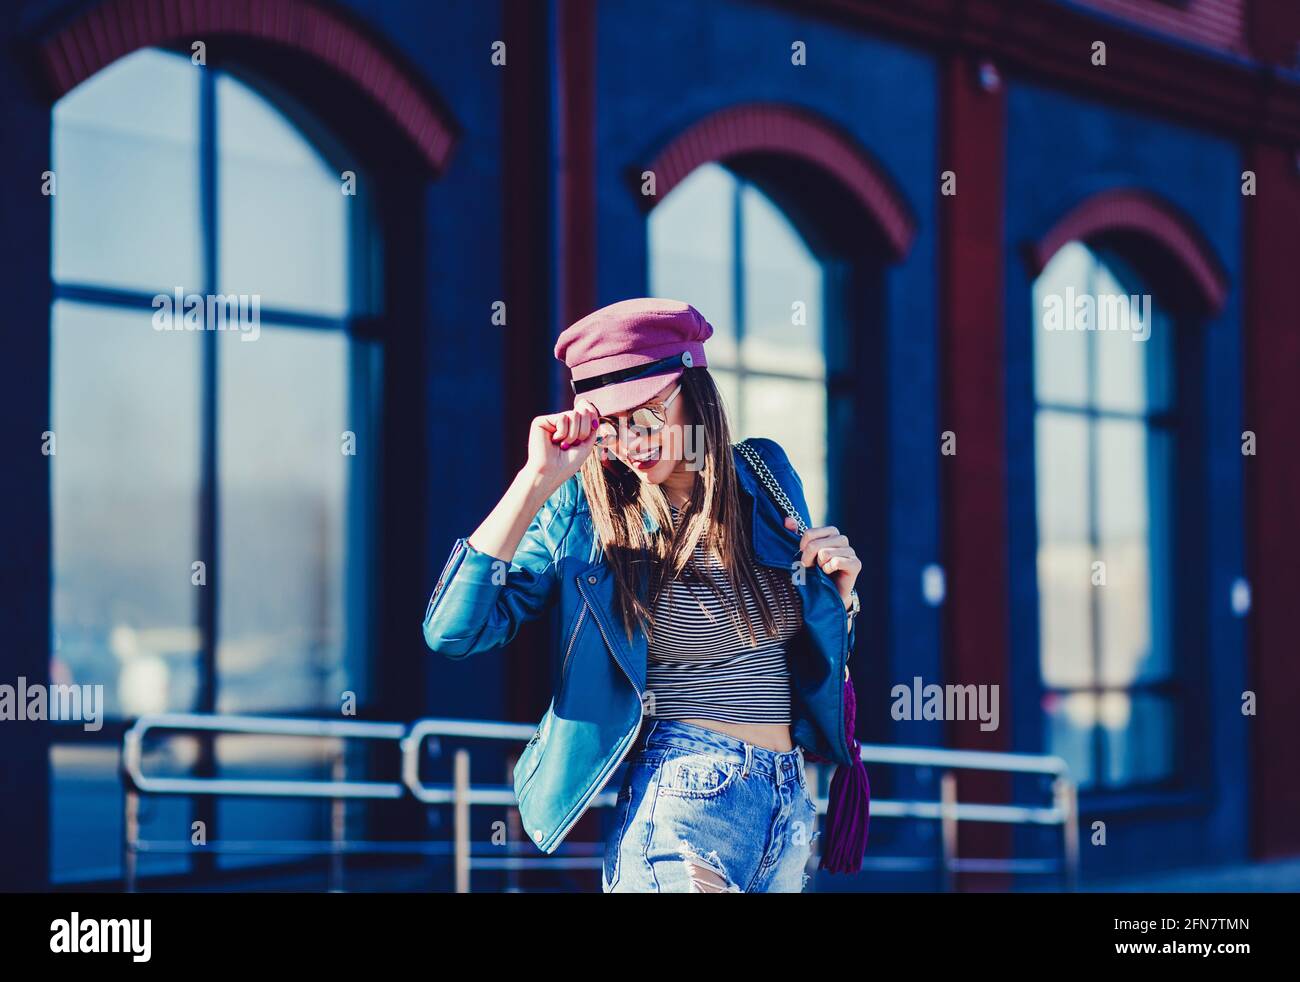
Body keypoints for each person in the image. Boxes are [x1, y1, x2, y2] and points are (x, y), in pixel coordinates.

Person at [423, 297, 867, 892]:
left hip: (786, 811)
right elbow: (454, 630)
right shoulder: (581, 509)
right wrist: (534, 484)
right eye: (609, 426)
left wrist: (838, 601)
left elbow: (794, 660)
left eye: (648, 416)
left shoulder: (764, 473)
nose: (632, 440)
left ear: (695, 389)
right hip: (685, 798)